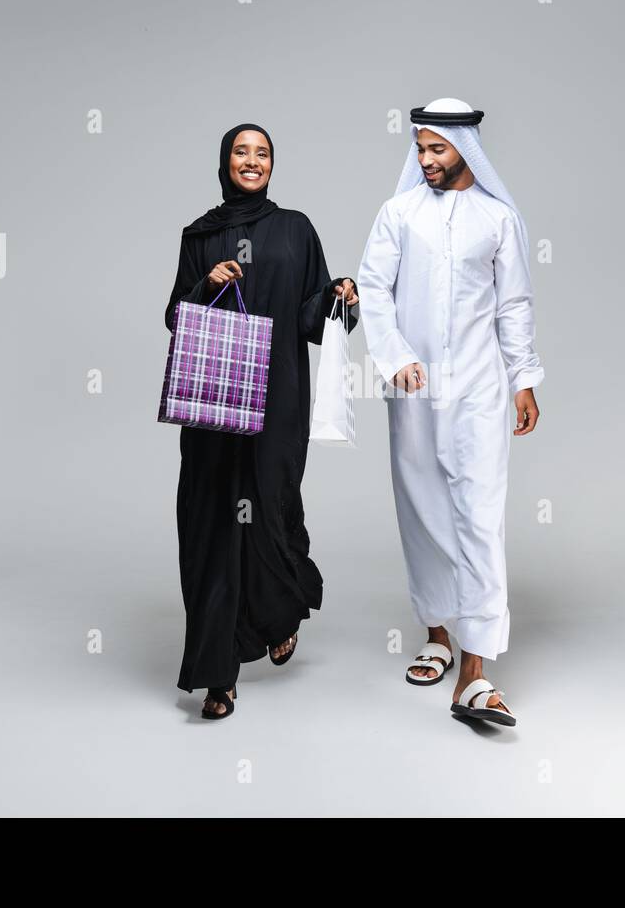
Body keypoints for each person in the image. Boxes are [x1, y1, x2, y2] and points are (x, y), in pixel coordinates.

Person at [356, 98, 542, 727]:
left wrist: (524, 379)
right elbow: (373, 288)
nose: (426, 159)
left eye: (437, 148)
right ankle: (436, 634)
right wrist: (394, 357)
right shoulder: (397, 213)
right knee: (422, 505)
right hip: (412, 386)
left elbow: (513, 304)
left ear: (466, 146)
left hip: (481, 387)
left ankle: (475, 672)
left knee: (480, 514)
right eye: (420, 148)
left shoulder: (498, 220)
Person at [164, 123, 358, 720]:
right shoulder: (200, 235)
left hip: (278, 403)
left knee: (271, 512)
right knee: (214, 527)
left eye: (263, 153)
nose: (252, 161)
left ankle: (278, 613)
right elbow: (176, 316)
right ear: (224, 163)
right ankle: (218, 676)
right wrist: (207, 282)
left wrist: (339, 297)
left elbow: (311, 317)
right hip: (218, 406)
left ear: (273, 164)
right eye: (241, 152)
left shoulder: (296, 229)